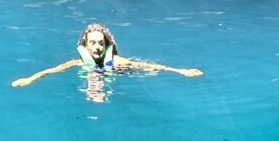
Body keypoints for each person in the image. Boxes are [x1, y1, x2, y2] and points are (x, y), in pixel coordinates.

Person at [11, 23, 203, 87]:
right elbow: (50, 71)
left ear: (106, 45)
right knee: (93, 82)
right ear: (85, 45)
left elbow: (148, 66)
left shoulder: (118, 61)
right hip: (94, 77)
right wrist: (30, 78)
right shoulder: (77, 62)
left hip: (117, 73)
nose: (96, 47)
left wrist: (180, 71)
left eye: (101, 43)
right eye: (92, 43)